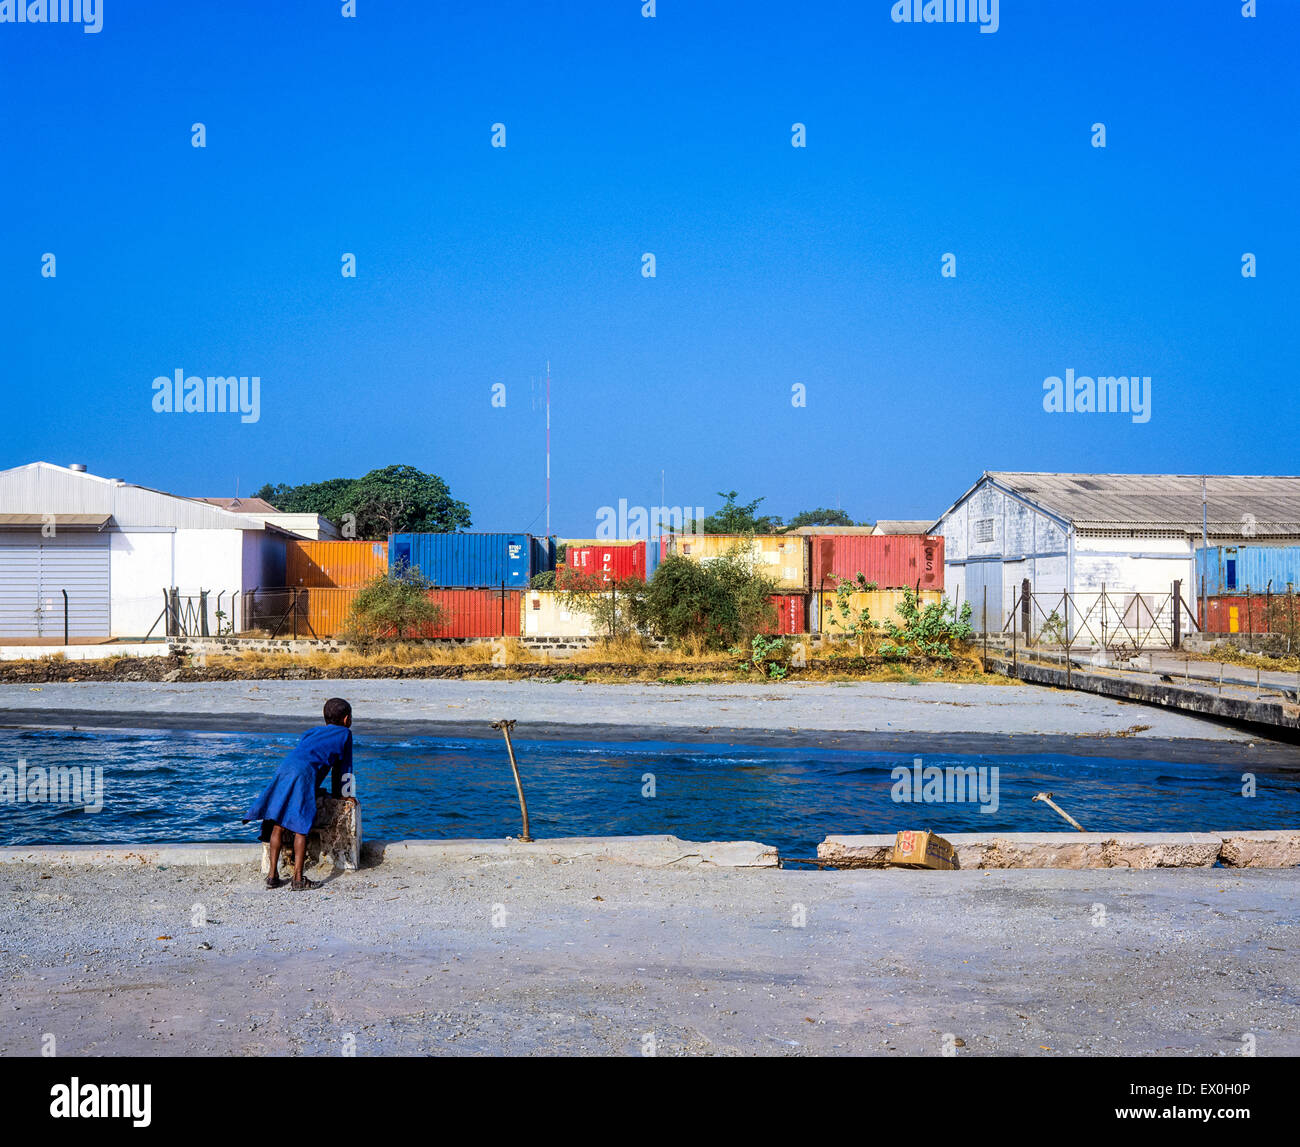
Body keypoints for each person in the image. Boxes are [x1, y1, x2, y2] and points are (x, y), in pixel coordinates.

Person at [245, 697, 357, 891]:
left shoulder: (311, 732)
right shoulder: (345, 734)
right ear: (347, 719)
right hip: (303, 775)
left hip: (285, 770)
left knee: (278, 824)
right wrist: (344, 794)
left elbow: (307, 754)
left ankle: (272, 876)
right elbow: (343, 769)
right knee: (300, 826)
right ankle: (298, 879)